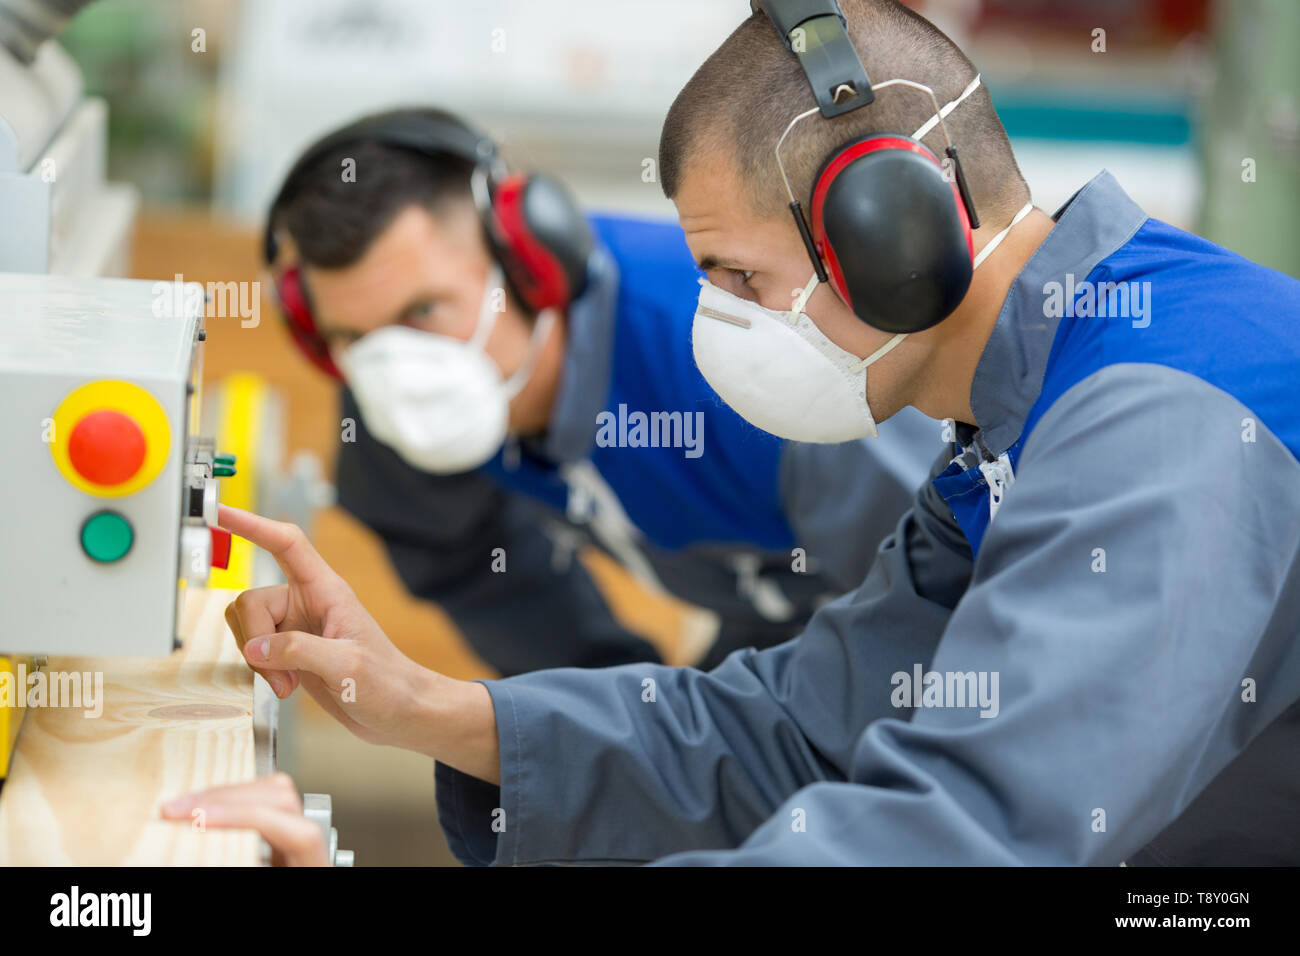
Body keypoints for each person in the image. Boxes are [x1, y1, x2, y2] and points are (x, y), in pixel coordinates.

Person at [170, 0, 1300, 866]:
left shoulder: (1156, 416)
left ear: (896, 230)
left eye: (737, 276)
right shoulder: (1004, 425)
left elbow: (963, 830)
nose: (717, 326)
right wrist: (438, 712)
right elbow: (800, 730)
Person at [260, 107, 942, 677]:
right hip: (781, 620)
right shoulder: (397, 402)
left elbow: (962, 590)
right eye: (352, 335)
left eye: (424, 313)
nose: (397, 367)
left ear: (529, 264)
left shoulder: (746, 352)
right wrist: (613, 720)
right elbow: (471, 571)